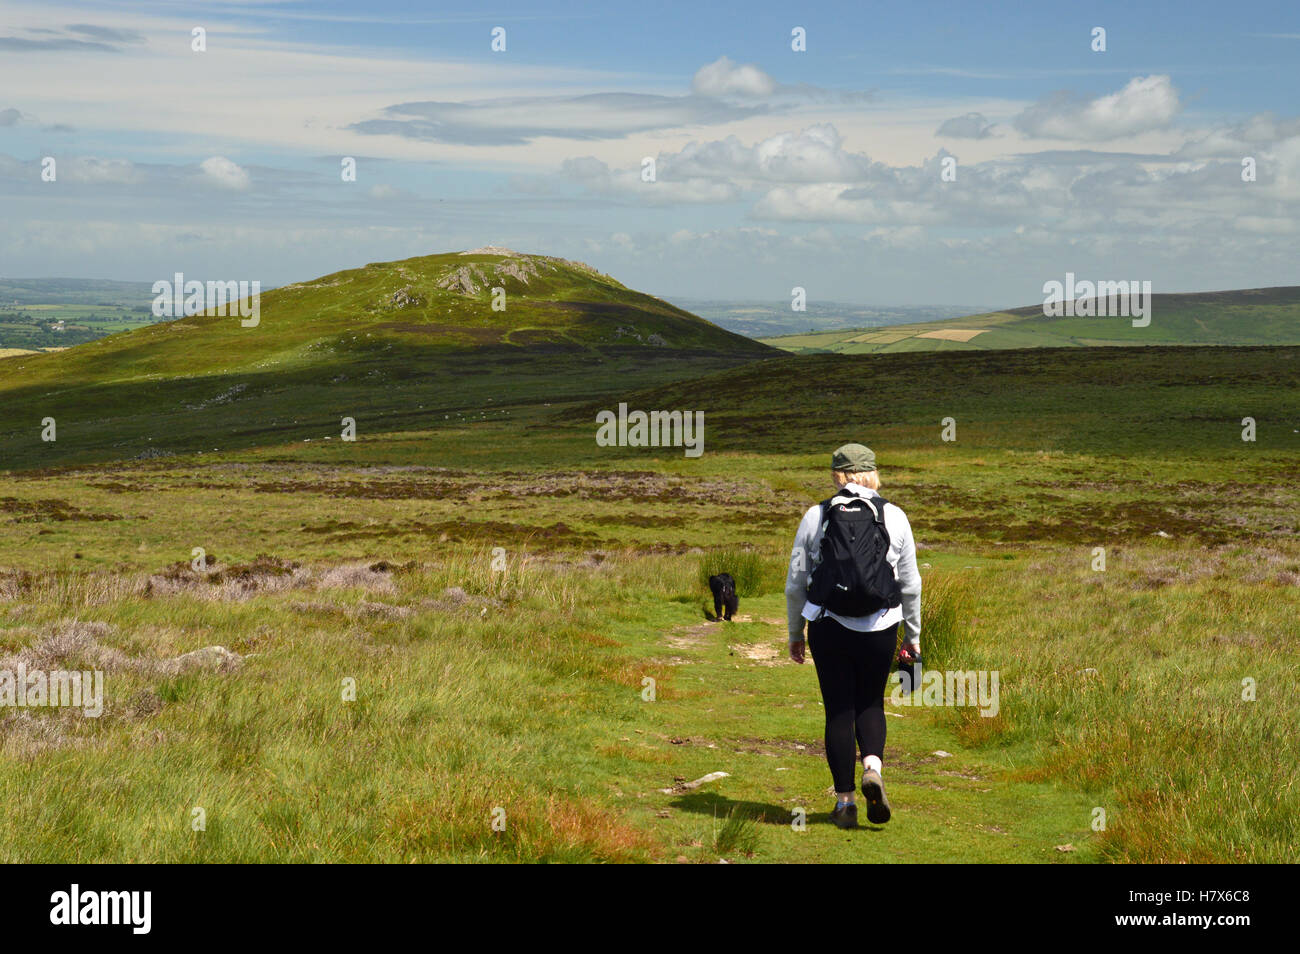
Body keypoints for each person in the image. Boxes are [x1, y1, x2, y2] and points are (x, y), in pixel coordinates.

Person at [785, 443, 921, 829]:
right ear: (873, 473)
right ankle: (873, 768)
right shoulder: (894, 516)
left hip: (828, 625)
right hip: (881, 626)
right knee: (871, 703)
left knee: (839, 710)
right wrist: (913, 637)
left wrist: (796, 632)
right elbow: (911, 584)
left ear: (837, 475)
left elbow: (795, 583)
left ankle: (845, 802)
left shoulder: (817, 516)